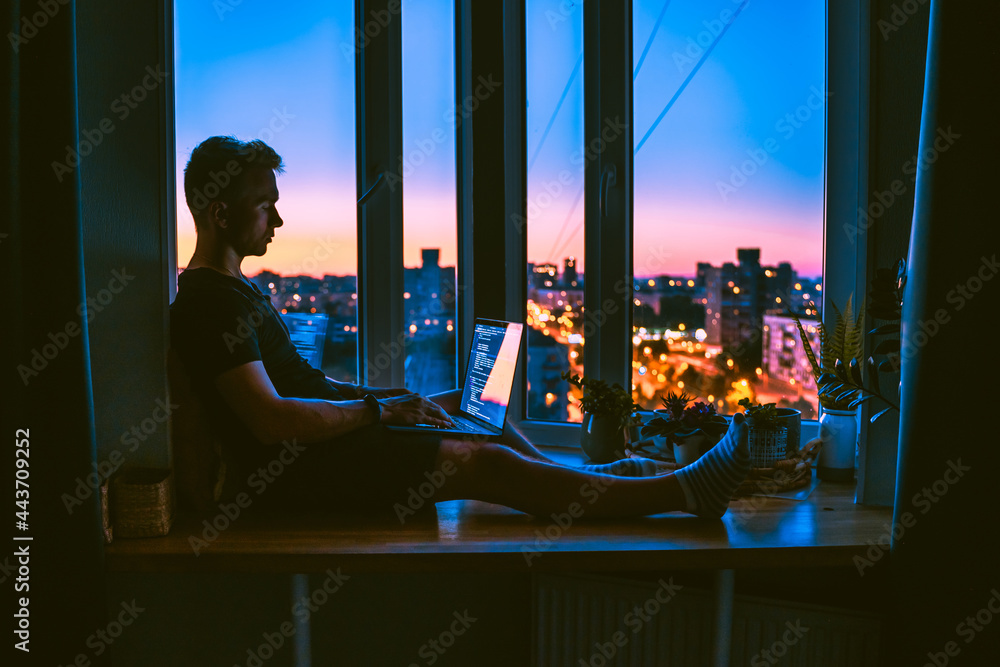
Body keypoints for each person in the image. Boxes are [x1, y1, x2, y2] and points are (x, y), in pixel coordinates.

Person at [170, 136, 751, 519]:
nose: (277, 217)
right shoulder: (208, 303)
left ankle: (588, 482)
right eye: (262, 203)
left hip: (312, 451)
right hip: (288, 479)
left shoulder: (236, 291)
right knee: (481, 462)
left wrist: (386, 399)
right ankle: (684, 492)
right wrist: (377, 411)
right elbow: (270, 420)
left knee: (464, 404)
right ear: (220, 212)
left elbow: (302, 388)